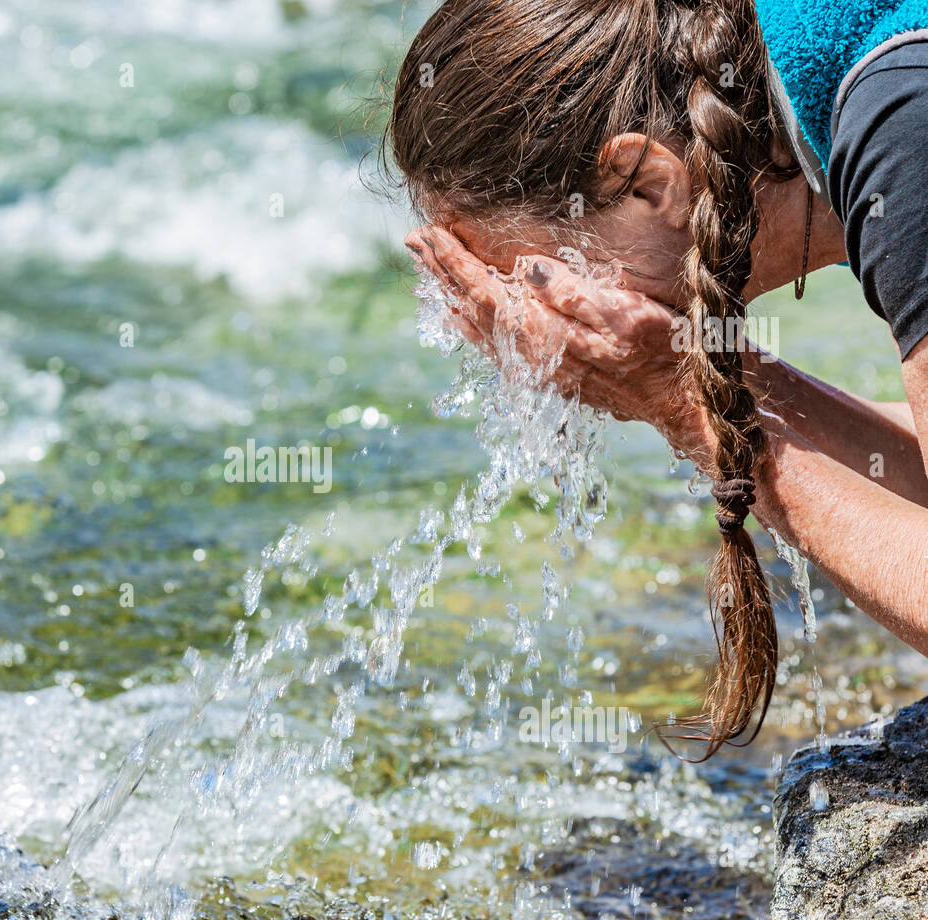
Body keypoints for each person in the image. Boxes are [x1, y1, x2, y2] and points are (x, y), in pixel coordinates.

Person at [391, 0, 928, 757]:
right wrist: (712, 375)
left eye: (532, 282)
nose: (529, 328)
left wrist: (685, 408)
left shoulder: (904, 130)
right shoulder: (844, 87)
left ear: (647, 184)